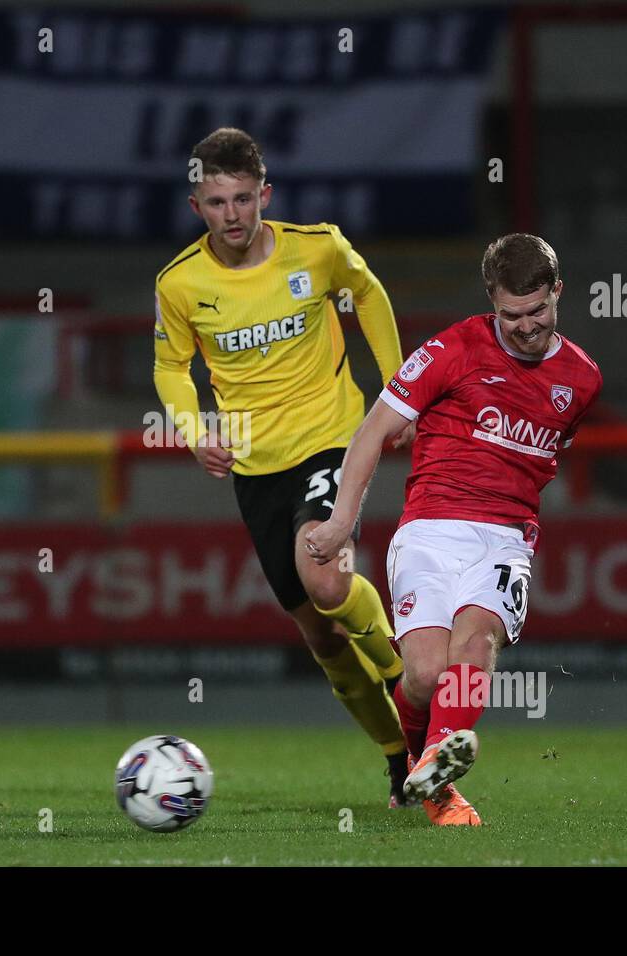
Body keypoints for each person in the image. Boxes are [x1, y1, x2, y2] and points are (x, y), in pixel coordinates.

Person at [153, 128, 415, 806]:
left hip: (331, 438)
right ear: (196, 206)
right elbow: (171, 366)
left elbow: (370, 295)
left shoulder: (317, 247)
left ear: (265, 194)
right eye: (217, 202)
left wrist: (398, 390)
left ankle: (404, 676)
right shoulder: (181, 284)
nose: (233, 215)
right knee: (321, 634)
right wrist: (191, 428)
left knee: (326, 576)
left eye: (244, 199)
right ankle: (398, 756)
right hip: (256, 468)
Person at [306, 233, 602, 825]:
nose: (526, 326)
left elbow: (549, 453)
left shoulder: (583, 379)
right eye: (511, 315)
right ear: (491, 301)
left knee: (476, 644)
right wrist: (342, 521)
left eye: (538, 311)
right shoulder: (450, 349)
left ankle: (441, 785)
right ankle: (426, 761)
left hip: (507, 538)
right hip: (430, 529)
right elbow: (371, 434)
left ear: (558, 293)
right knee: (421, 676)